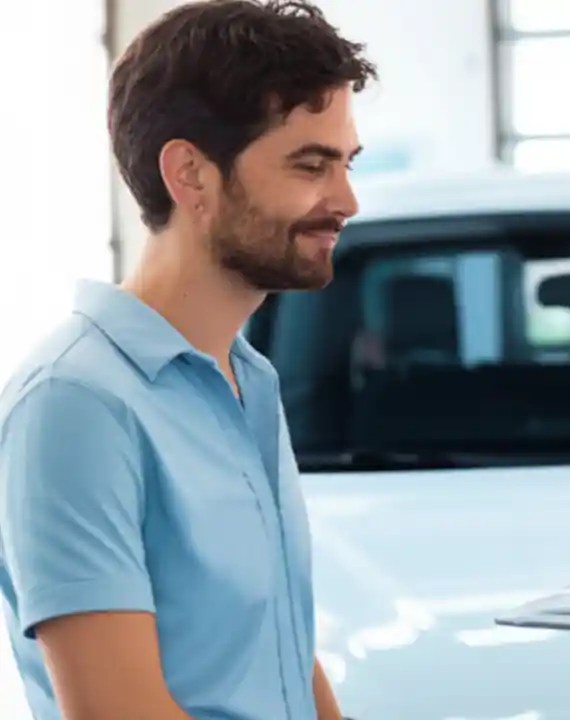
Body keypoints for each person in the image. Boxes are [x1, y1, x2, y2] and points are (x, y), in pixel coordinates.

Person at [0, 2, 375, 718]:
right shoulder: (76, 404)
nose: (347, 200)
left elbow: (279, 649)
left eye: (345, 163)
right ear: (191, 175)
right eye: (311, 165)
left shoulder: (248, 379)